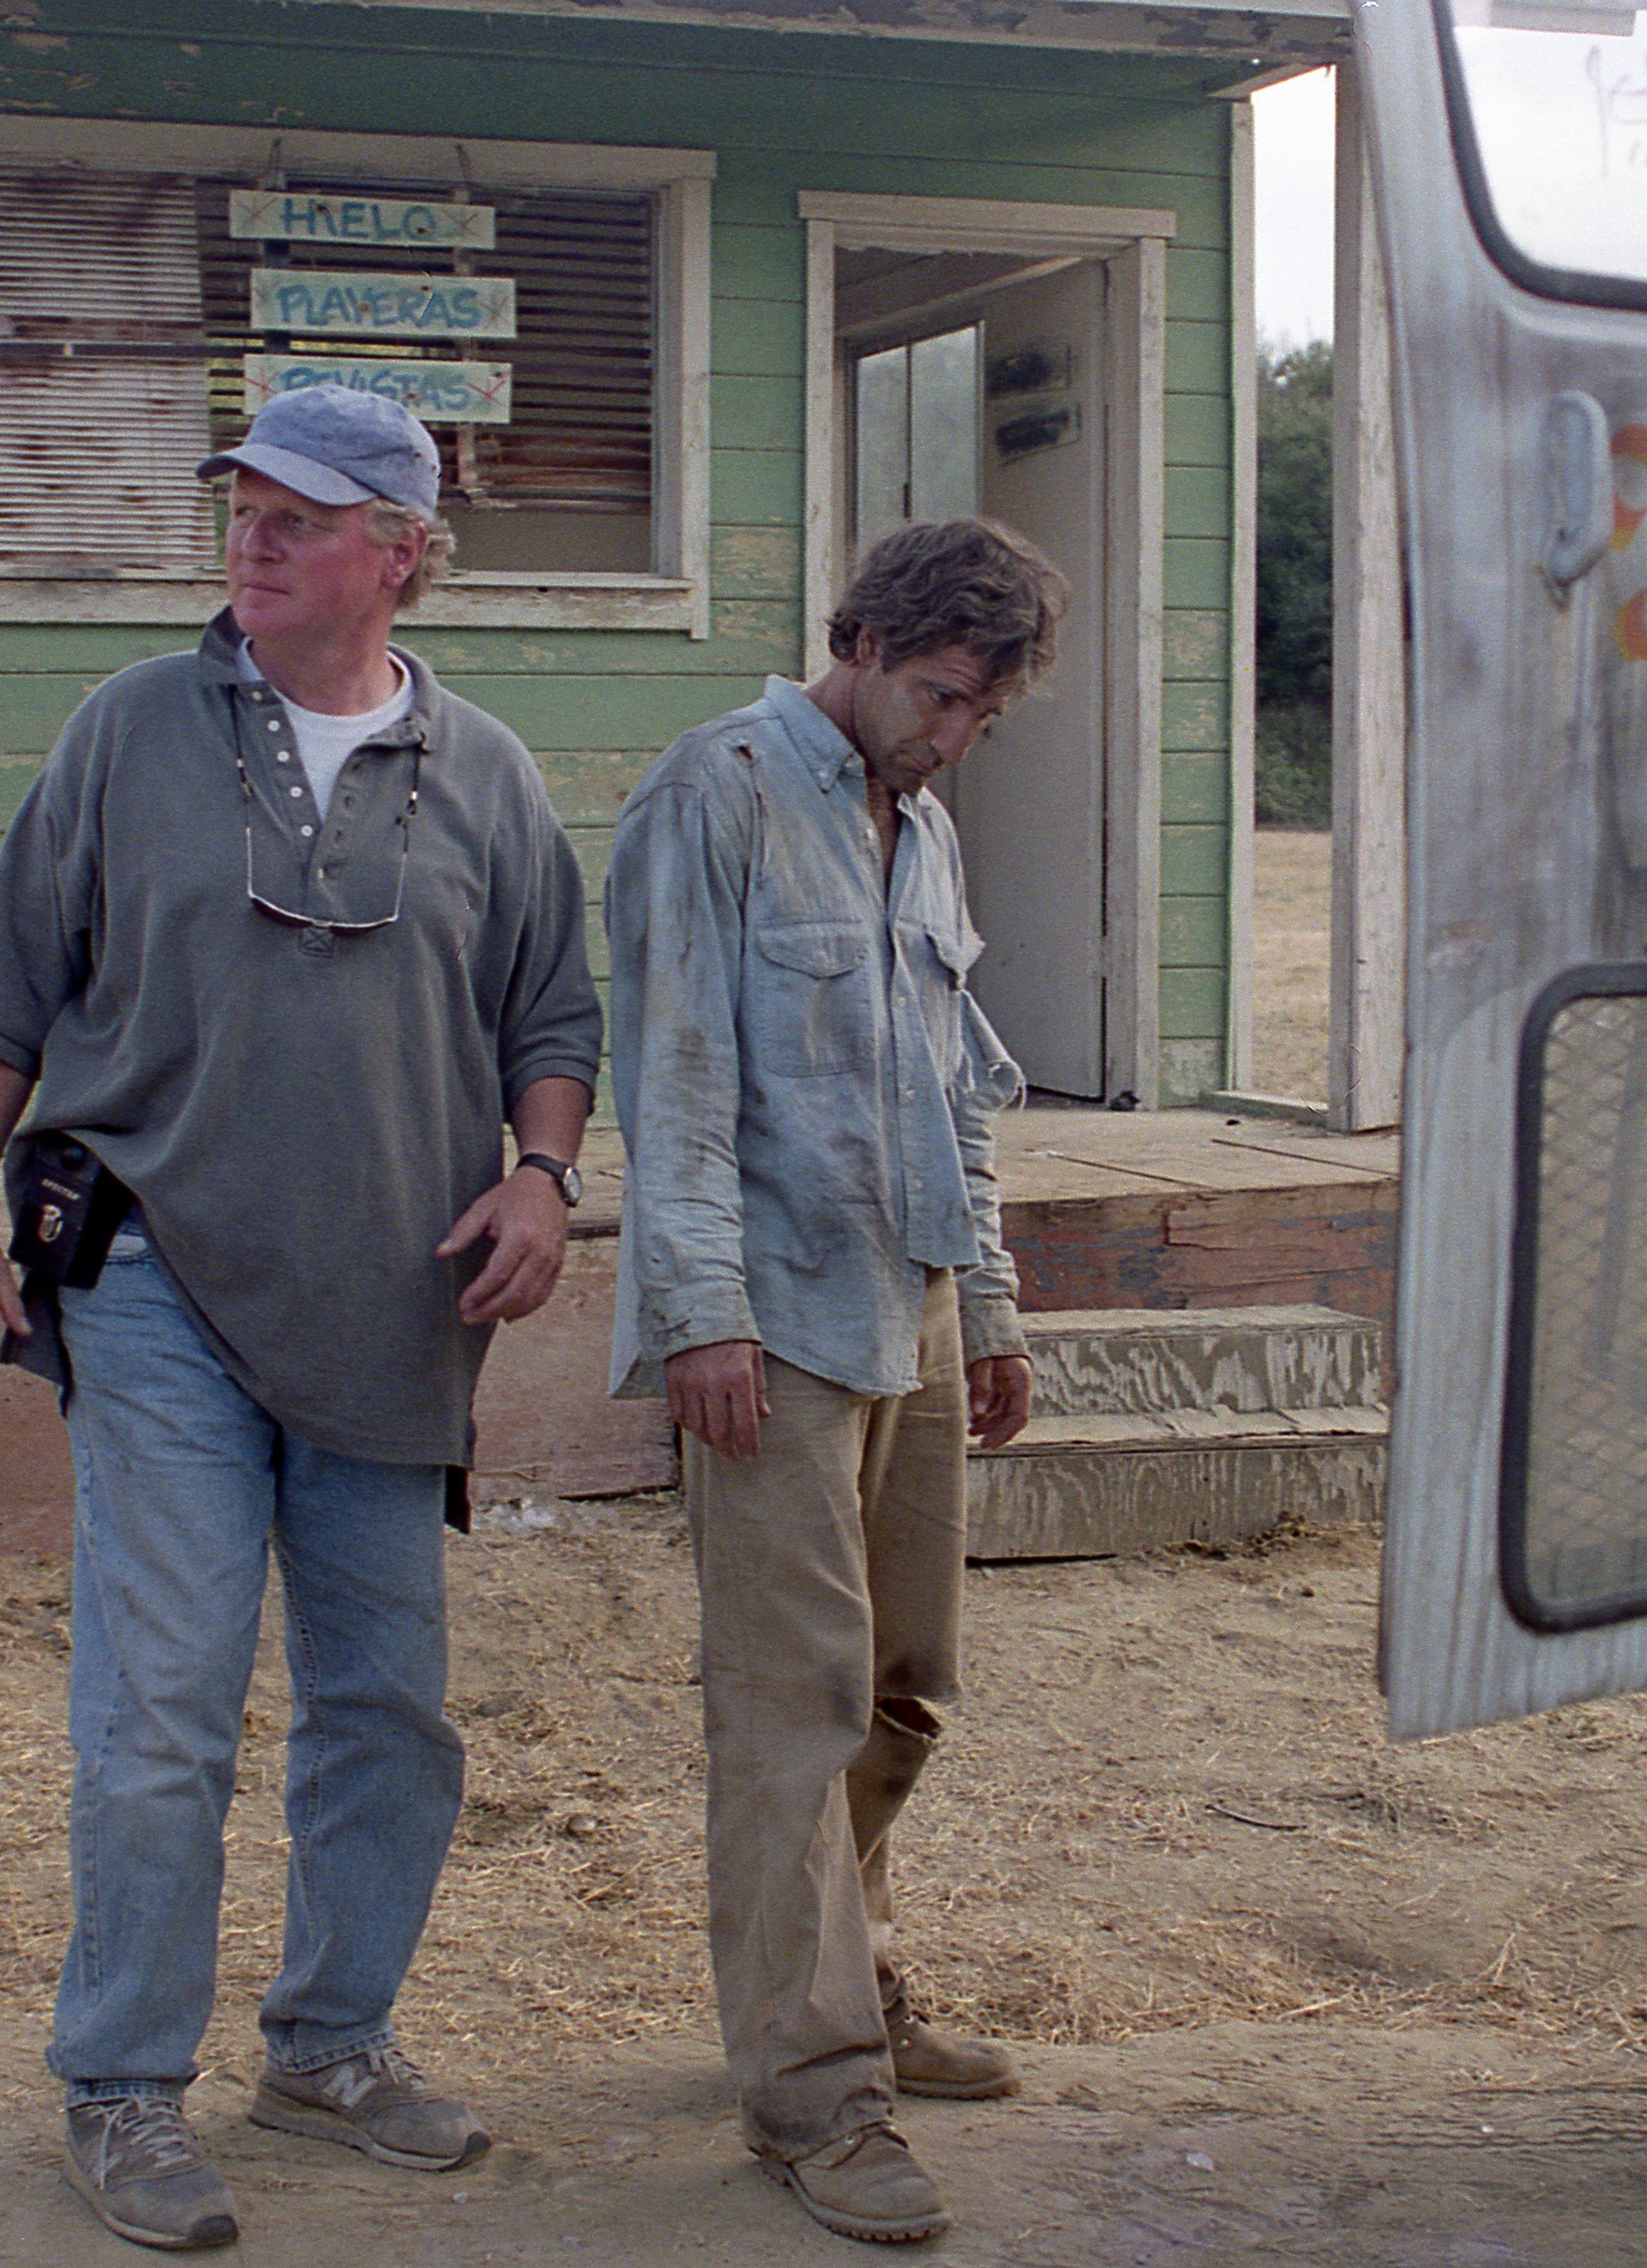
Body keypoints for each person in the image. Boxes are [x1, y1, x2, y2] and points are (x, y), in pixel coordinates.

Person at [0, 383, 601, 2253]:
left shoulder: (490, 774)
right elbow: (1, 992)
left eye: (301, 515)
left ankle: (330, 2042)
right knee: (167, 1702)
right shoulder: (130, 731)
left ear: (401, 551)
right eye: (243, 508)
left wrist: (542, 1179)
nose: (255, 537)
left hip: (394, 1312)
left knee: (388, 1706)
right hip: (151, 1280)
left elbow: (552, 1024)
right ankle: (123, 2084)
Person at [603, 518, 1065, 2245]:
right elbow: (676, 1073)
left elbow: (960, 1088)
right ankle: (812, 2097)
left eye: (979, 719)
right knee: (790, 1712)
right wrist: (702, 1314)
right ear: (860, 641)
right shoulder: (715, 792)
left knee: (899, 1691)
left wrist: (996, 1308)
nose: (950, 740)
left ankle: (850, 1987)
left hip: (918, 1305)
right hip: (774, 1329)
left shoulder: (925, 830)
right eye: (936, 697)